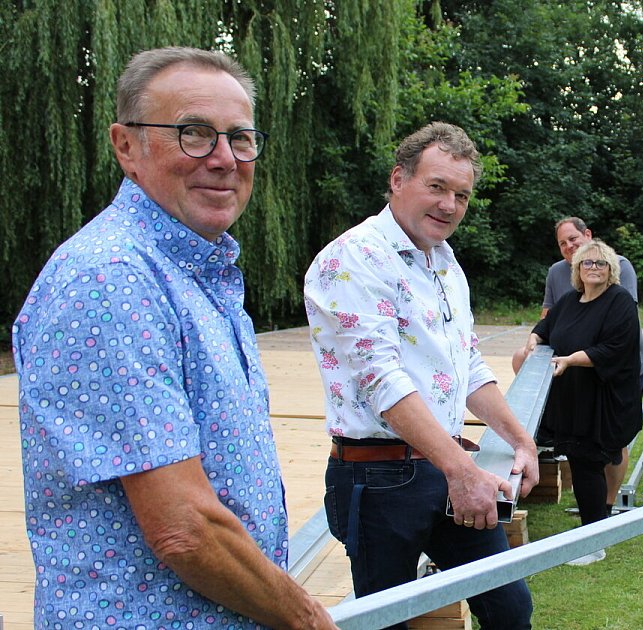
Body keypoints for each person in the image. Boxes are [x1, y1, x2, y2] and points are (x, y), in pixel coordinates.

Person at [13, 47, 334, 628]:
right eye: (194, 133)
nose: (224, 159)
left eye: (240, 138)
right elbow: (184, 529)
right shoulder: (113, 278)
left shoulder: (192, 272)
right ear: (126, 146)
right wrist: (307, 619)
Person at [304, 121, 538, 627]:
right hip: (377, 477)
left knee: (509, 607)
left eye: (461, 195)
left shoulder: (445, 262)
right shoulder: (354, 258)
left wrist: (521, 440)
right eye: (437, 186)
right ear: (398, 179)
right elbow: (381, 381)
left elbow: (468, 365)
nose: (449, 205)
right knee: (386, 620)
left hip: (443, 464)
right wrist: (461, 471)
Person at [513, 216, 643, 513]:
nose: (593, 267)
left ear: (611, 269)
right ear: (577, 269)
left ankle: (596, 526)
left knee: (592, 463)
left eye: (600, 263)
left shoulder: (620, 300)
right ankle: (594, 526)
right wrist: (534, 338)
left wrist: (571, 359)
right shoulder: (570, 301)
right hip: (575, 401)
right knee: (582, 464)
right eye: (587, 263)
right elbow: (546, 326)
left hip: (605, 400)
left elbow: (613, 348)